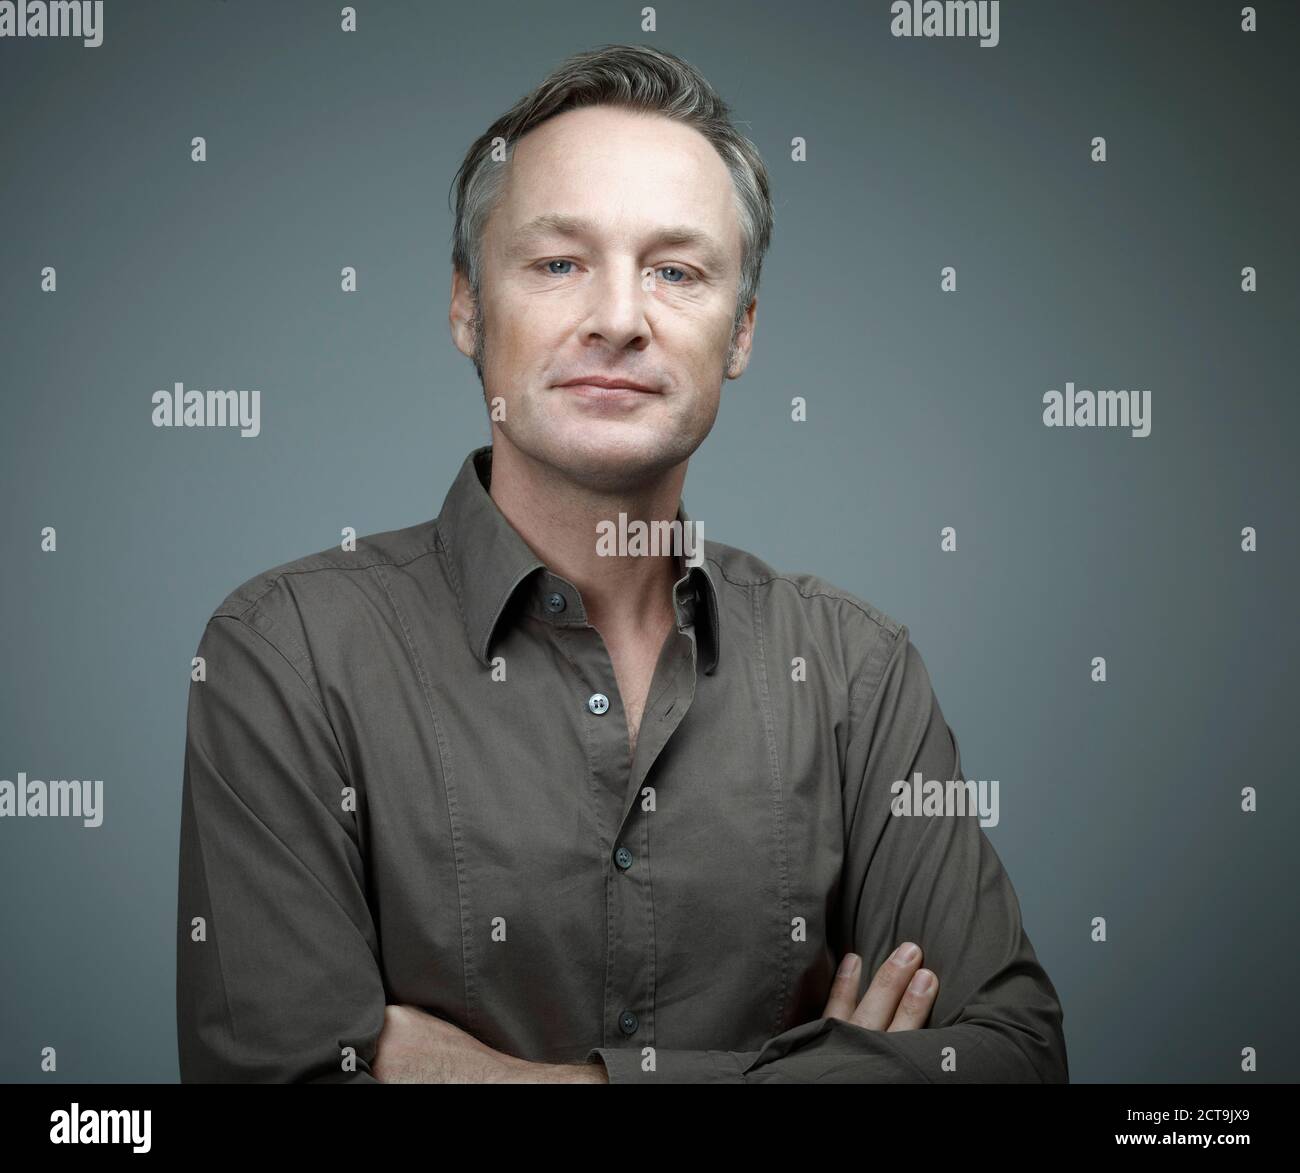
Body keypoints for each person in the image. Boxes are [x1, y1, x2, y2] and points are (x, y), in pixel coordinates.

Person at [176, 43, 1067, 1084]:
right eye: (558, 263)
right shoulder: (286, 654)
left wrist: (519, 1082)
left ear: (738, 332)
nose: (617, 319)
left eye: (675, 272)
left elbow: (1012, 1061)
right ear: (467, 305)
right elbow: (276, 1078)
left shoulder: (856, 676)